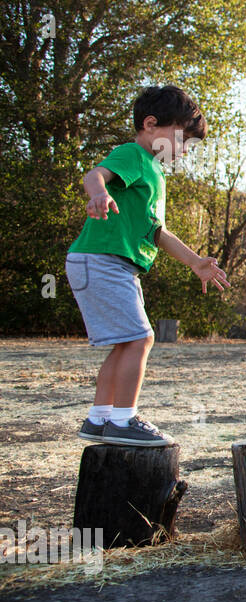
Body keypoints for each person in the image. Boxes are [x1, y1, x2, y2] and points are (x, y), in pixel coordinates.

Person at [66, 85, 229, 447]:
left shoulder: (154, 174)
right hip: (102, 259)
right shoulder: (133, 155)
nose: (186, 150)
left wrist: (196, 262)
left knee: (126, 343)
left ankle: (100, 417)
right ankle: (124, 420)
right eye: (183, 138)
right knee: (142, 337)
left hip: (111, 263)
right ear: (152, 125)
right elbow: (94, 175)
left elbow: (156, 232)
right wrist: (99, 194)